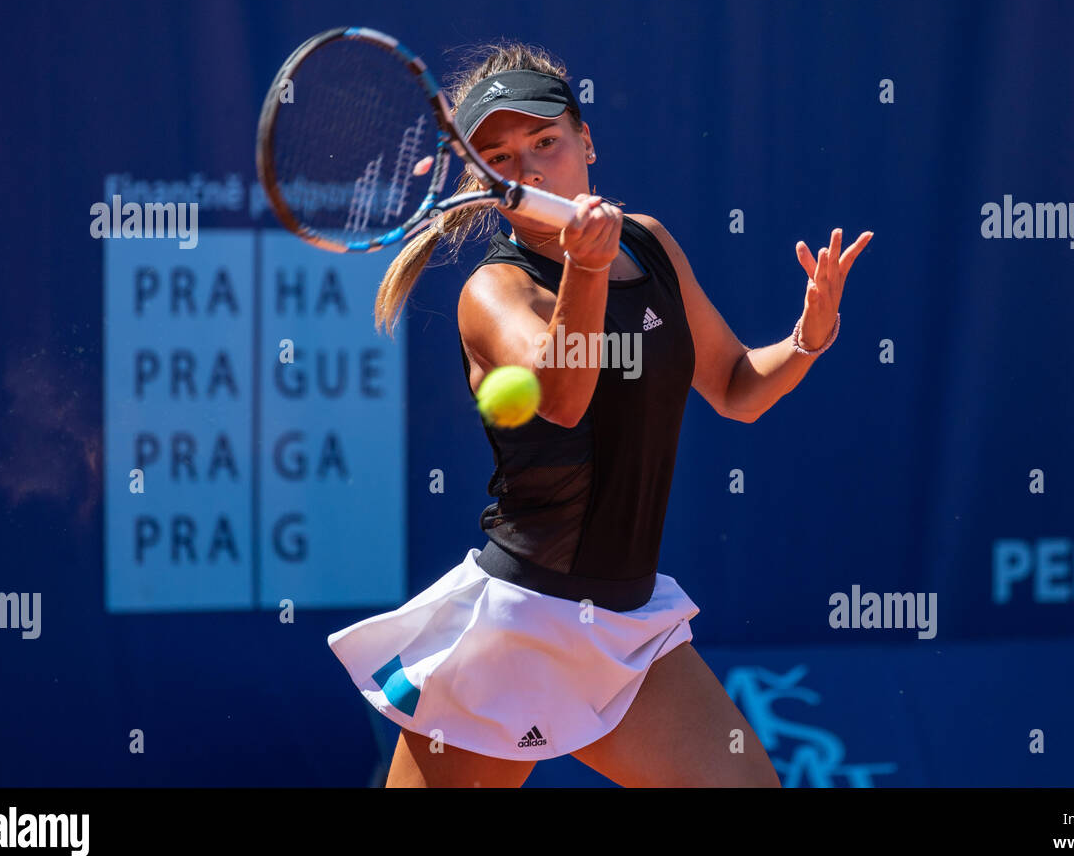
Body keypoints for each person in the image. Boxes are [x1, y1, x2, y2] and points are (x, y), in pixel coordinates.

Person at [327, 41, 872, 787]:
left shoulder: (652, 248)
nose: (530, 169)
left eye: (545, 143)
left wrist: (810, 334)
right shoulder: (494, 294)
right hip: (516, 628)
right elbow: (563, 396)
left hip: (625, 627)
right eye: (503, 159)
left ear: (587, 143)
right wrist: (585, 267)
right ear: (486, 186)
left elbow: (738, 388)